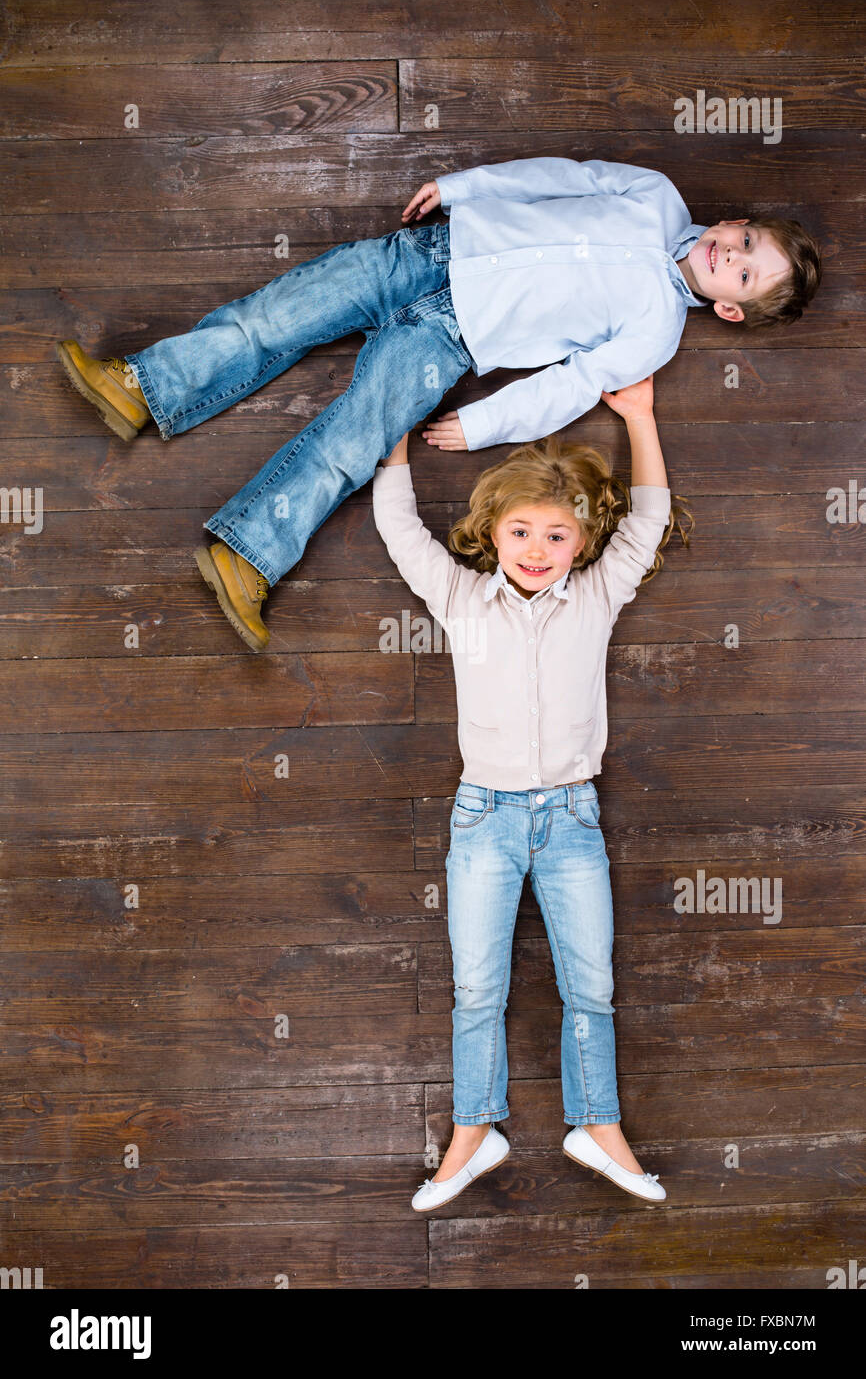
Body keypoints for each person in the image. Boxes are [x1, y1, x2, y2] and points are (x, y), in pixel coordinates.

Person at [54, 157, 820, 653]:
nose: (733, 255)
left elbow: (569, 387)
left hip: (452, 341)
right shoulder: (656, 194)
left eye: (746, 275)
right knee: (278, 316)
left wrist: (486, 423)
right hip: (432, 251)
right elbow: (556, 176)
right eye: (745, 238)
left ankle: (249, 553)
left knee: (357, 435)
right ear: (731, 222)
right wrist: (465, 189)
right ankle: (143, 385)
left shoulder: (654, 334)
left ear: (729, 309)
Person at [372, 374, 687, 1210]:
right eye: (521, 530)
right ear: (495, 533)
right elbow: (399, 528)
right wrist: (391, 434)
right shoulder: (461, 599)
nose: (538, 548)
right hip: (484, 819)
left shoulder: (597, 596)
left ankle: (599, 1128)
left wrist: (641, 419)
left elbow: (647, 520)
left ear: (581, 543)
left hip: (572, 817)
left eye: (556, 533)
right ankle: (475, 1134)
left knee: (592, 984)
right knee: (478, 986)